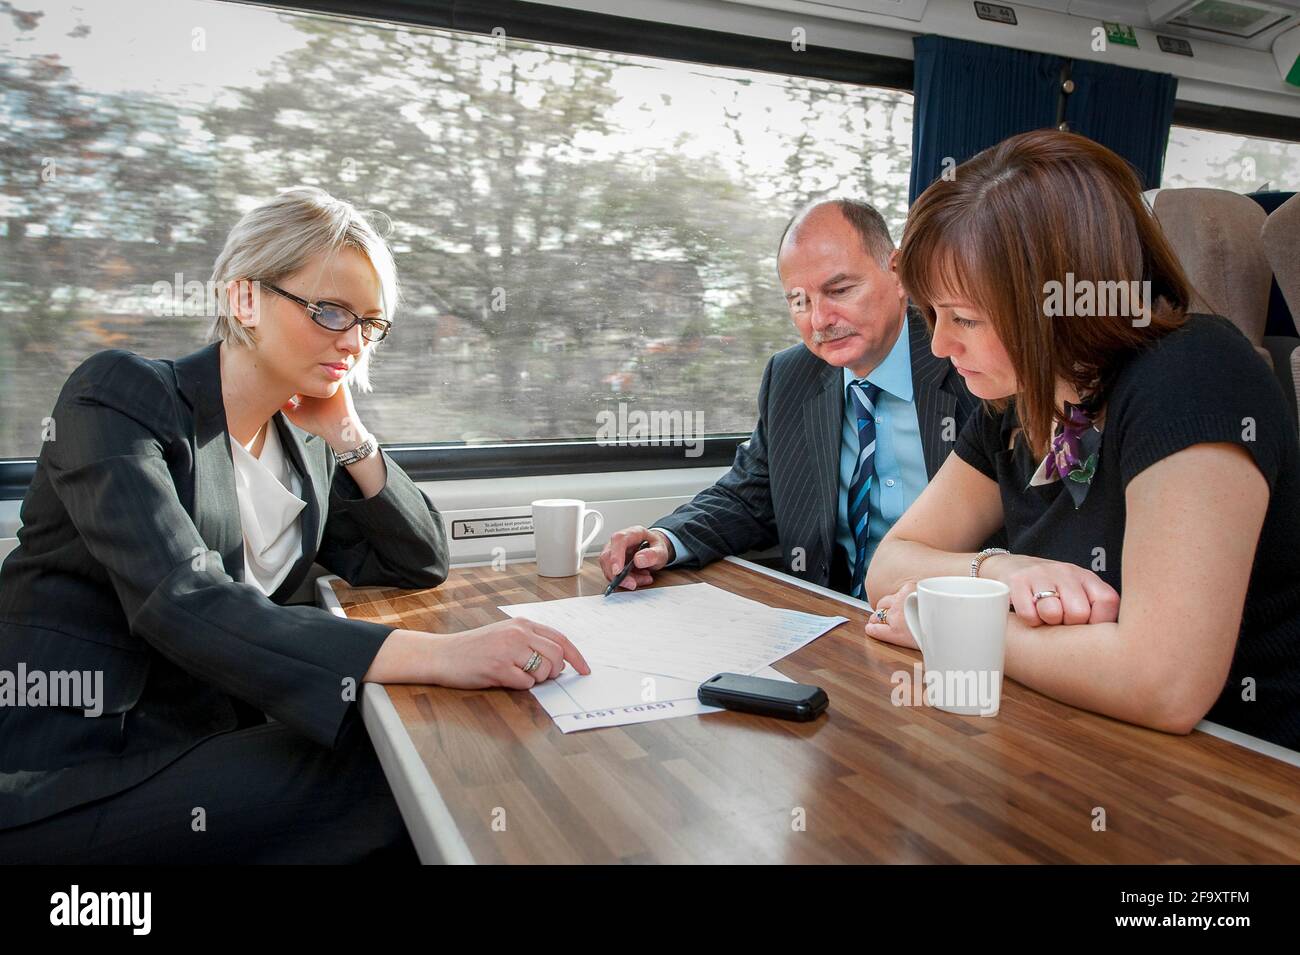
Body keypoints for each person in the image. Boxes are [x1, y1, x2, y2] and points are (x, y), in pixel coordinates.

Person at [0, 186, 587, 862]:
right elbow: (183, 601)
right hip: (79, 765)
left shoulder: (301, 442)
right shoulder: (120, 396)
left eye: (370, 324)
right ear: (243, 296)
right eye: (331, 310)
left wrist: (350, 435)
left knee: (426, 735)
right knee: (411, 763)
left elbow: (419, 560)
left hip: (215, 735)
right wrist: (447, 654)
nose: (354, 341)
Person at [865, 130, 1300, 749]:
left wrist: (949, 623)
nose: (939, 346)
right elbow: (892, 563)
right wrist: (998, 571)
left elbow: (1164, 682)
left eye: (965, 318)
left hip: (1241, 773)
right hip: (1078, 738)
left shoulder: (1195, 376)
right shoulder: (1020, 398)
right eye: (933, 316)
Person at [599, 199, 990, 598]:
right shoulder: (791, 377)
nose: (819, 320)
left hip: (956, 620)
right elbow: (750, 496)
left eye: (839, 290)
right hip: (836, 619)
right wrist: (665, 540)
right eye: (799, 300)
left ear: (898, 272)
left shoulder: (970, 364)